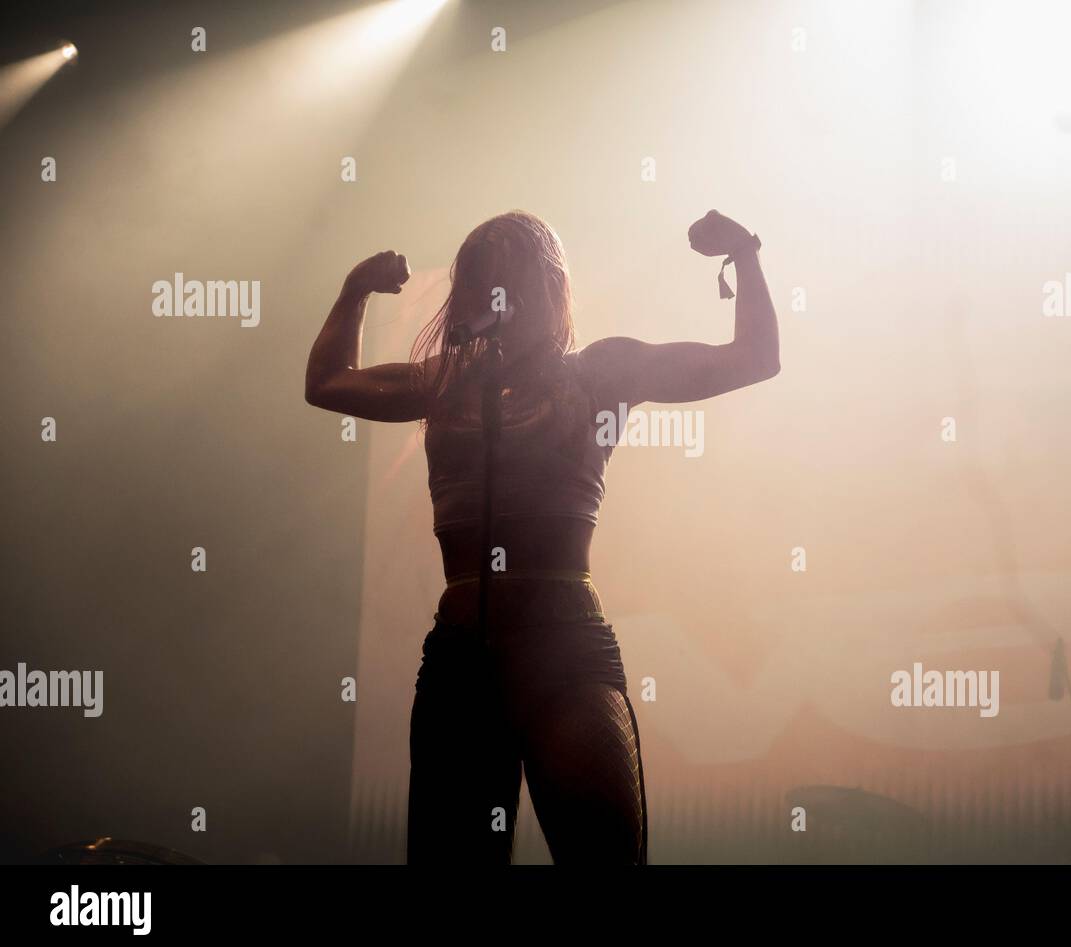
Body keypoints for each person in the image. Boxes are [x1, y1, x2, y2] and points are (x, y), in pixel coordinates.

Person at [305, 209, 779, 863]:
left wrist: (745, 253)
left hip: (566, 653)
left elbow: (754, 358)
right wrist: (353, 291)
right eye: (476, 281)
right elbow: (327, 384)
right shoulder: (442, 382)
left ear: (544, 288)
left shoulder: (598, 374)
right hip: (462, 659)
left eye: (506, 279)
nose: (491, 297)